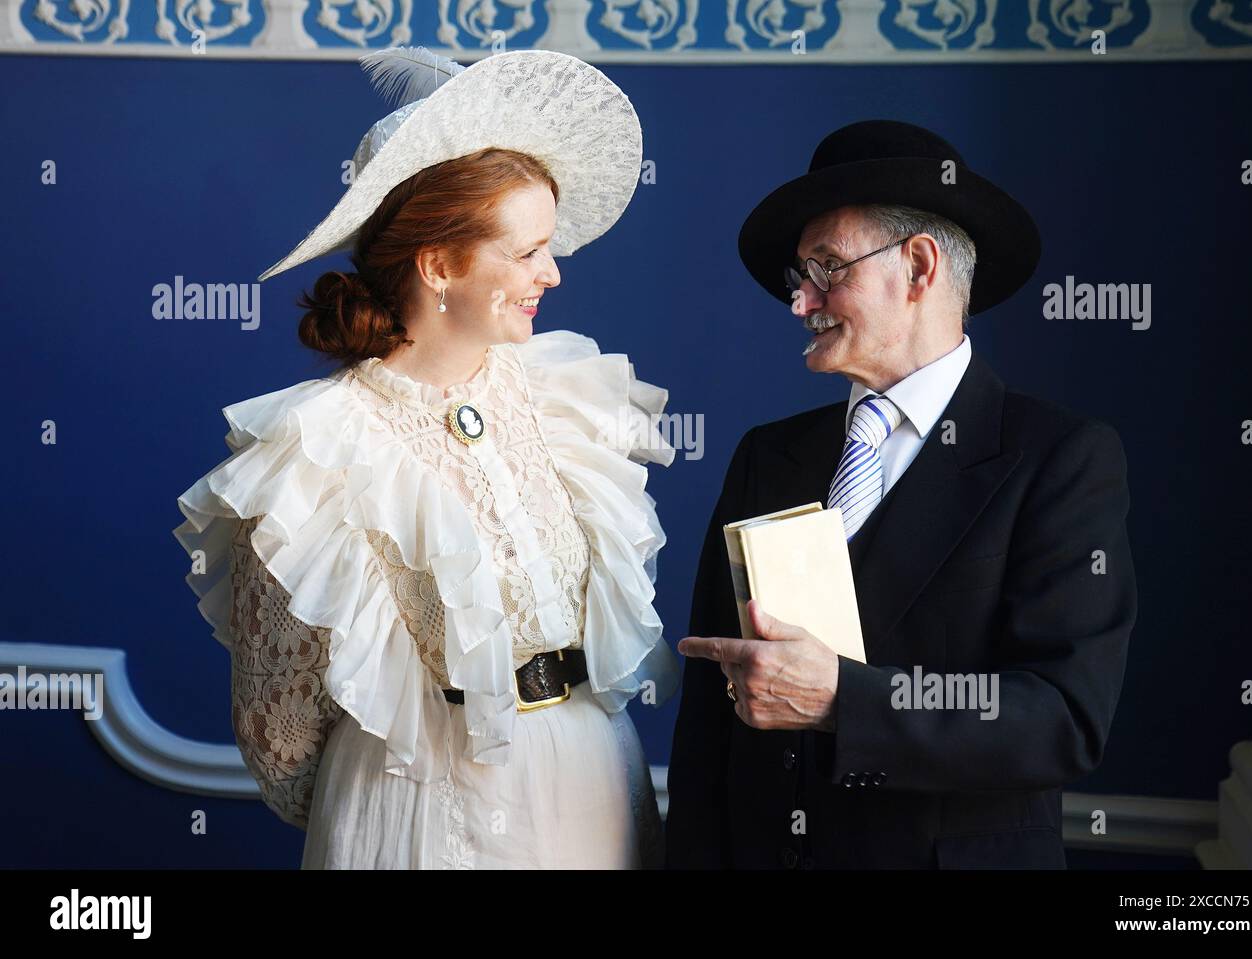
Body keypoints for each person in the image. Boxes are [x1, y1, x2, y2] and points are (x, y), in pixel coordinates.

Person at [174, 48, 678, 869]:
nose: (551, 272)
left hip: (589, 790)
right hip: (416, 807)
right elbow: (280, 730)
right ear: (439, 264)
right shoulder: (318, 448)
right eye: (525, 252)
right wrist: (380, 799)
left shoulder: (563, 394)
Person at [666, 120, 1137, 869]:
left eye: (825, 268)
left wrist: (843, 703)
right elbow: (705, 730)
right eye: (798, 276)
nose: (800, 302)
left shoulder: (1060, 459)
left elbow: (1061, 718)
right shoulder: (768, 455)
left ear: (919, 267)